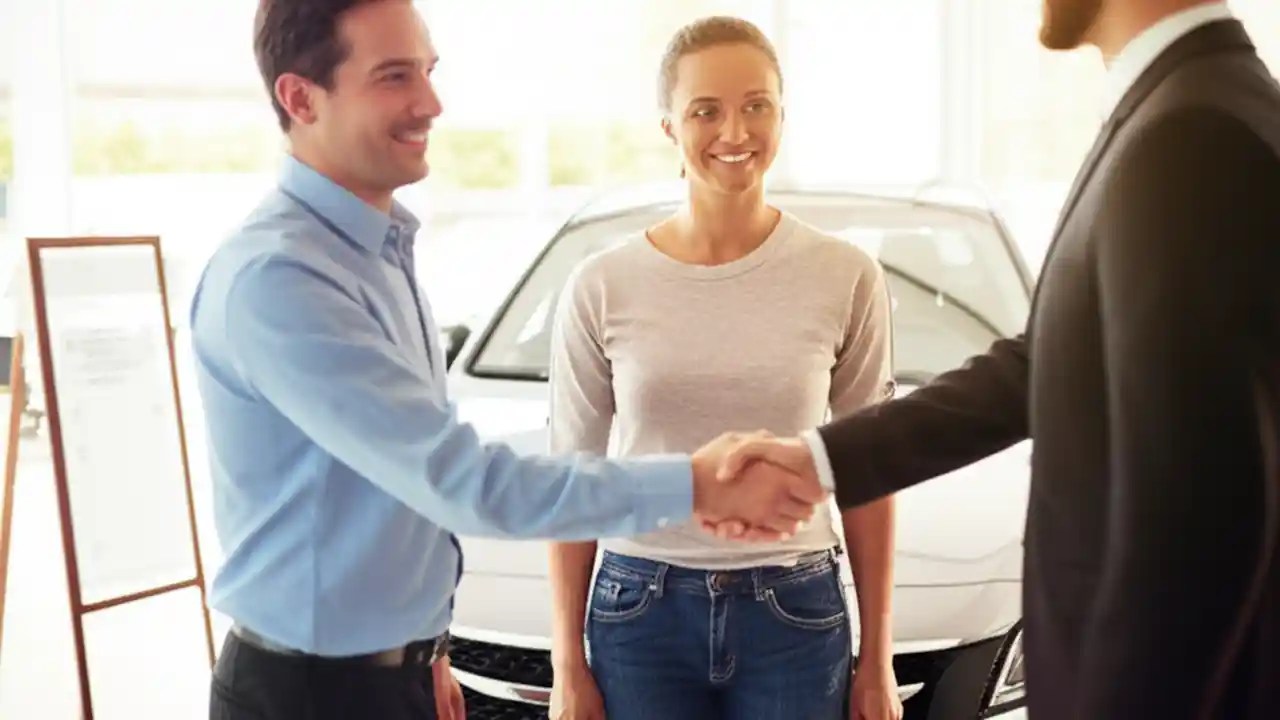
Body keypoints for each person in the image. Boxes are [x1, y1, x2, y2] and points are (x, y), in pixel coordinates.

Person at [191, 2, 826, 719]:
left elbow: (397, 499)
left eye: (428, 73)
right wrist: (697, 485)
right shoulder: (282, 280)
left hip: (387, 677)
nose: (431, 103)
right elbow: (462, 482)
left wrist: (425, 652)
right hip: (308, 696)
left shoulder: (375, 254)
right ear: (301, 97)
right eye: (395, 77)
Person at [715, 1, 1280, 718]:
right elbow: (1042, 361)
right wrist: (820, 460)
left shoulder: (1194, 137)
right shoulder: (1183, 106)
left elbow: (1200, 525)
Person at [545, 16, 903, 720]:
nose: (735, 133)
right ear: (669, 128)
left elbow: (870, 471)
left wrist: (877, 660)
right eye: (706, 110)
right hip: (638, 611)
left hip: (794, 610)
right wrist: (566, 665)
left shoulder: (847, 275)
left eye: (756, 106)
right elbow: (573, 478)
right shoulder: (602, 283)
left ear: (782, 114)